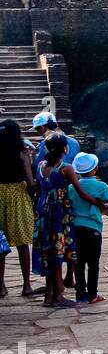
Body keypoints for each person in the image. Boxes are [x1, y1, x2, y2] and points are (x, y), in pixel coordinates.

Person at [33, 134, 104, 308]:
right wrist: (99, 204)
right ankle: (58, 295)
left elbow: (37, 186)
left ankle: (49, 296)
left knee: (48, 251)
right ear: (65, 149)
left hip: (43, 210)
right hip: (59, 213)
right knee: (57, 251)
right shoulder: (66, 168)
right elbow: (80, 191)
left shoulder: (41, 166)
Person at [68, 153, 108, 305]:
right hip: (93, 228)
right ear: (95, 170)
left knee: (79, 263)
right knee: (93, 263)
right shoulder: (101, 186)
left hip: (75, 228)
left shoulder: (71, 187)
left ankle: (80, 294)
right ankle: (93, 294)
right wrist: (103, 205)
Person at [0, 120, 36, 298]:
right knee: (23, 243)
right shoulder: (22, 153)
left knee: (0, 243)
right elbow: (30, 182)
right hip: (18, 194)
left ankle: (1, 286)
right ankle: (27, 285)